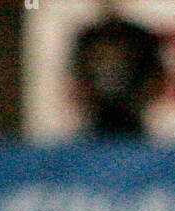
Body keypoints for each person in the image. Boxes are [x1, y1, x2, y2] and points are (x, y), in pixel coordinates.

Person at [70, 0, 164, 139]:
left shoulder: (139, 36)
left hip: (132, 119)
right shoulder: (90, 36)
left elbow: (155, 76)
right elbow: (79, 74)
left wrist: (141, 98)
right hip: (98, 120)